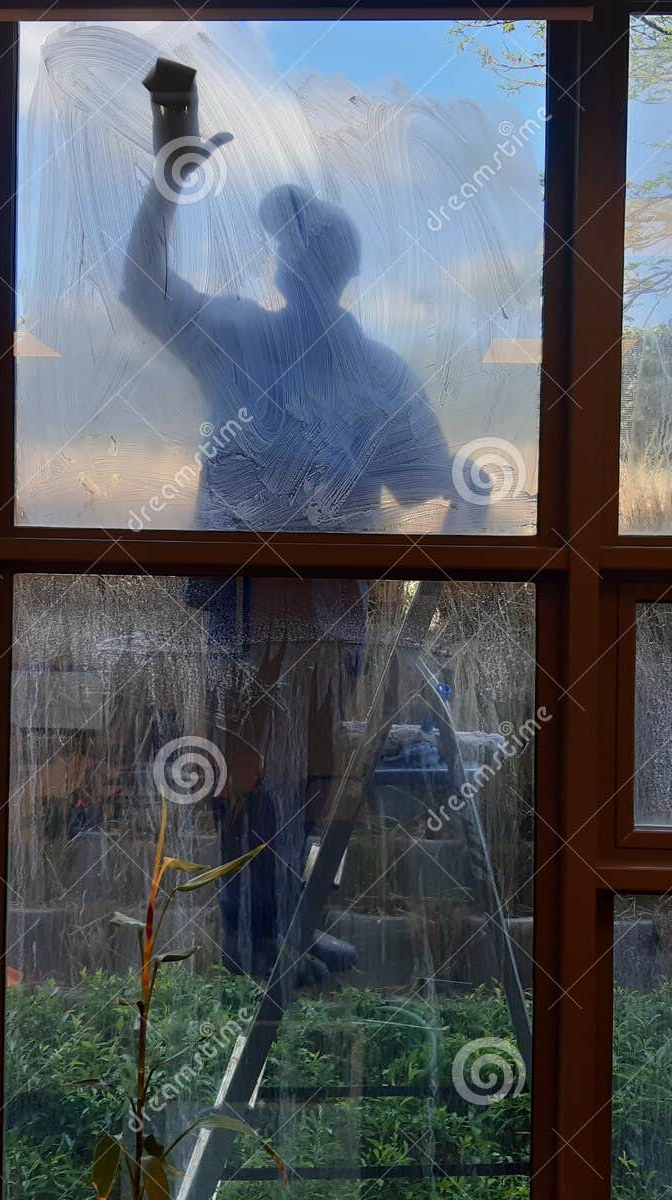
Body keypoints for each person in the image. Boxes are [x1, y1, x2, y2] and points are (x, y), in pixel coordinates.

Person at [122, 60, 490, 986]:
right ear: (289, 270)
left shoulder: (375, 374)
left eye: (316, 258)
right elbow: (141, 288)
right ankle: (249, 935)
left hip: (332, 608)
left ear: (337, 272)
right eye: (296, 256)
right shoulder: (240, 339)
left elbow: (427, 484)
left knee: (315, 772)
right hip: (250, 602)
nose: (302, 270)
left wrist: (472, 483)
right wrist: (167, 180)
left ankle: (279, 926)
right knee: (250, 771)